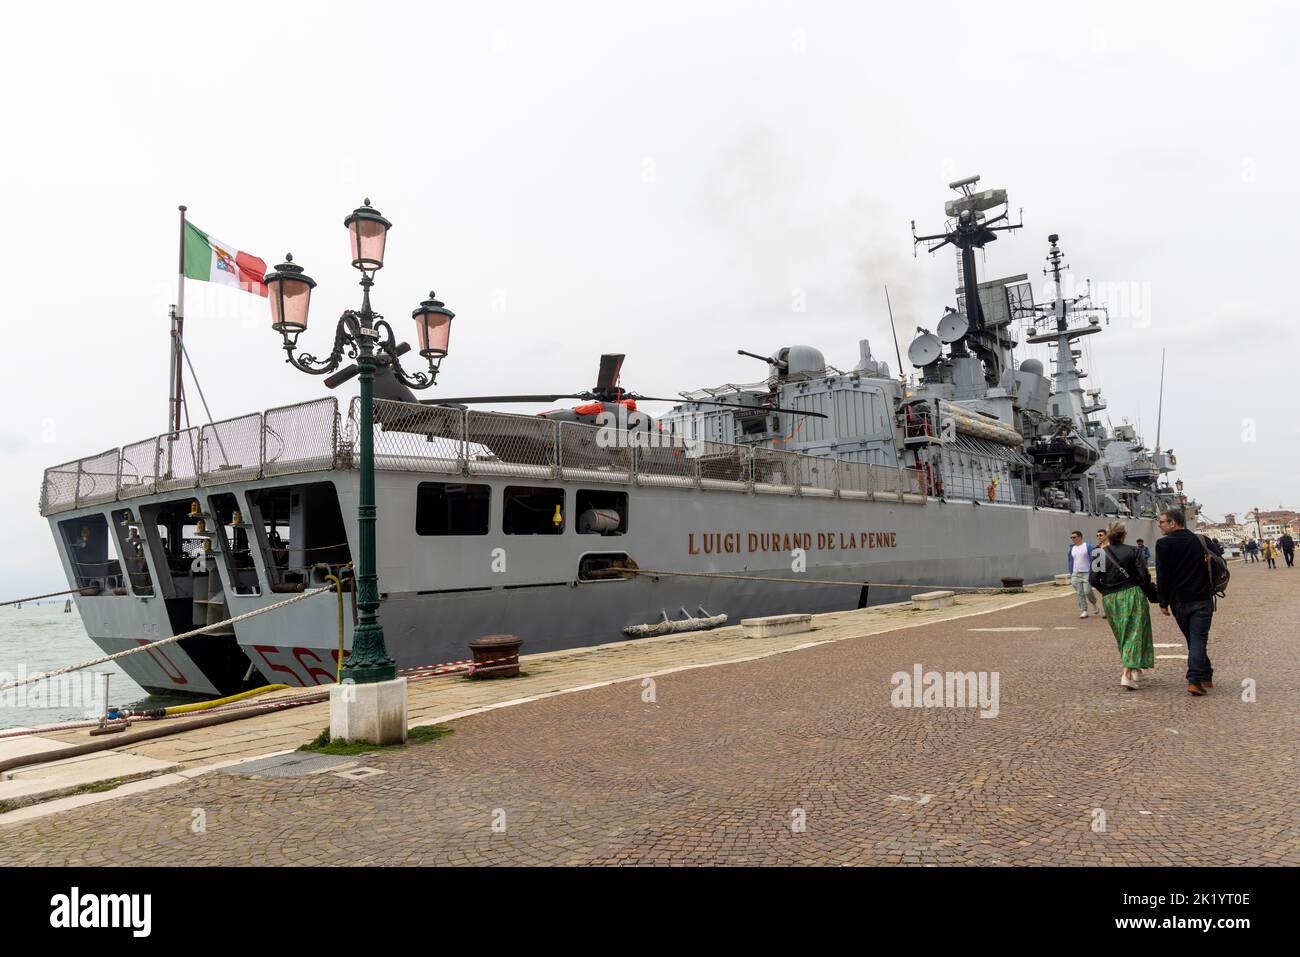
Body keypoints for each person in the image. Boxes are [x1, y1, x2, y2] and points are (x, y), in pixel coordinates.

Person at [1155, 507, 1223, 696]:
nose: (1159, 525)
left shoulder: (1163, 544)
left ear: (1173, 523)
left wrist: (1163, 601)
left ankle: (1194, 679)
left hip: (1179, 602)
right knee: (1197, 640)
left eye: (1161, 522)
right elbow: (1219, 559)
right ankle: (1205, 675)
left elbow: (1163, 576)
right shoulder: (1201, 540)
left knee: (1194, 640)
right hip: (1202, 598)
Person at [1090, 520, 1155, 689]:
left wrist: (1106, 590)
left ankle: (1134, 668)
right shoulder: (1134, 551)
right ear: (1124, 535)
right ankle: (1127, 672)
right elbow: (1143, 576)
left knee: (1122, 633)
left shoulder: (1099, 553)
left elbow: (1092, 579)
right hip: (1132, 593)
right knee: (1135, 632)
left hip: (1110, 597)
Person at [1067, 530, 1099, 619]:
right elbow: (1070, 560)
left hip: (1087, 573)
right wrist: (1071, 572)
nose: (1072, 539)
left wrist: (1094, 571)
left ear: (1080, 537)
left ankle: (1094, 603)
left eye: (1074, 537)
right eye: (1071, 537)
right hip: (1075, 573)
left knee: (1087, 591)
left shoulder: (1088, 546)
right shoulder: (1072, 548)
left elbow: (1094, 559)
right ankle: (1084, 610)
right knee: (1079, 593)